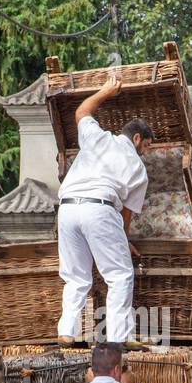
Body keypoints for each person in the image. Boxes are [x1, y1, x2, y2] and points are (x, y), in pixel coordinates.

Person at [57, 73, 153, 347]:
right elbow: (124, 216)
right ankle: (118, 337)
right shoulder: (137, 168)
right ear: (136, 138)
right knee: (120, 275)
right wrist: (124, 242)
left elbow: (82, 111)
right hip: (99, 209)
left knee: (75, 276)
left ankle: (66, 332)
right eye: (146, 146)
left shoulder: (96, 137)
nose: (145, 152)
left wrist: (106, 91)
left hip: (66, 210)